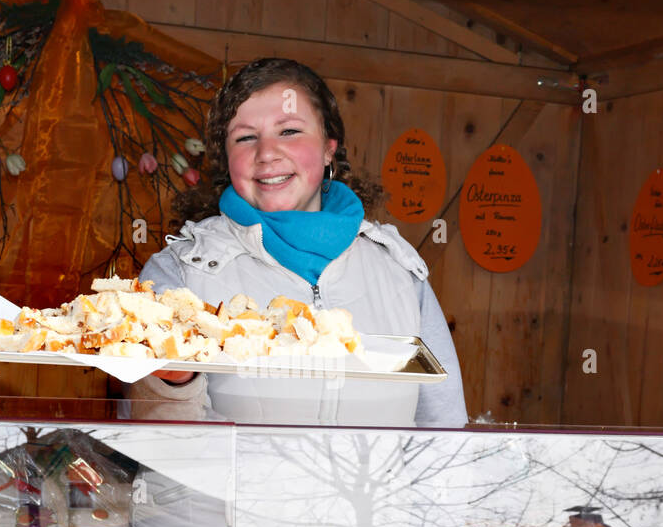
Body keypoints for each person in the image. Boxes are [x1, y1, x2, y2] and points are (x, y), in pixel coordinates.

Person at [126, 57, 466, 428]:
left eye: (289, 131)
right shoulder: (180, 272)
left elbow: (445, 434)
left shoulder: (399, 271)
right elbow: (157, 449)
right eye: (245, 137)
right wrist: (174, 385)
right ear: (227, 159)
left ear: (328, 147)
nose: (267, 152)